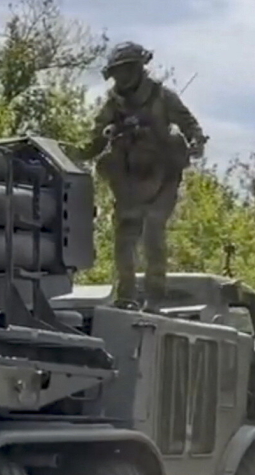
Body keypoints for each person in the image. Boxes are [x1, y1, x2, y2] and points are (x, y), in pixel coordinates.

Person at [80, 41, 208, 309]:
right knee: (125, 237)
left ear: (138, 69)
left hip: (163, 177)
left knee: (153, 231)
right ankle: (126, 295)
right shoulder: (113, 104)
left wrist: (195, 141)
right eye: (117, 73)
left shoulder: (163, 98)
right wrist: (74, 154)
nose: (121, 78)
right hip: (129, 180)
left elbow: (189, 124)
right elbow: (95, 140)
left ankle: (154, 296)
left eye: (126, 71)